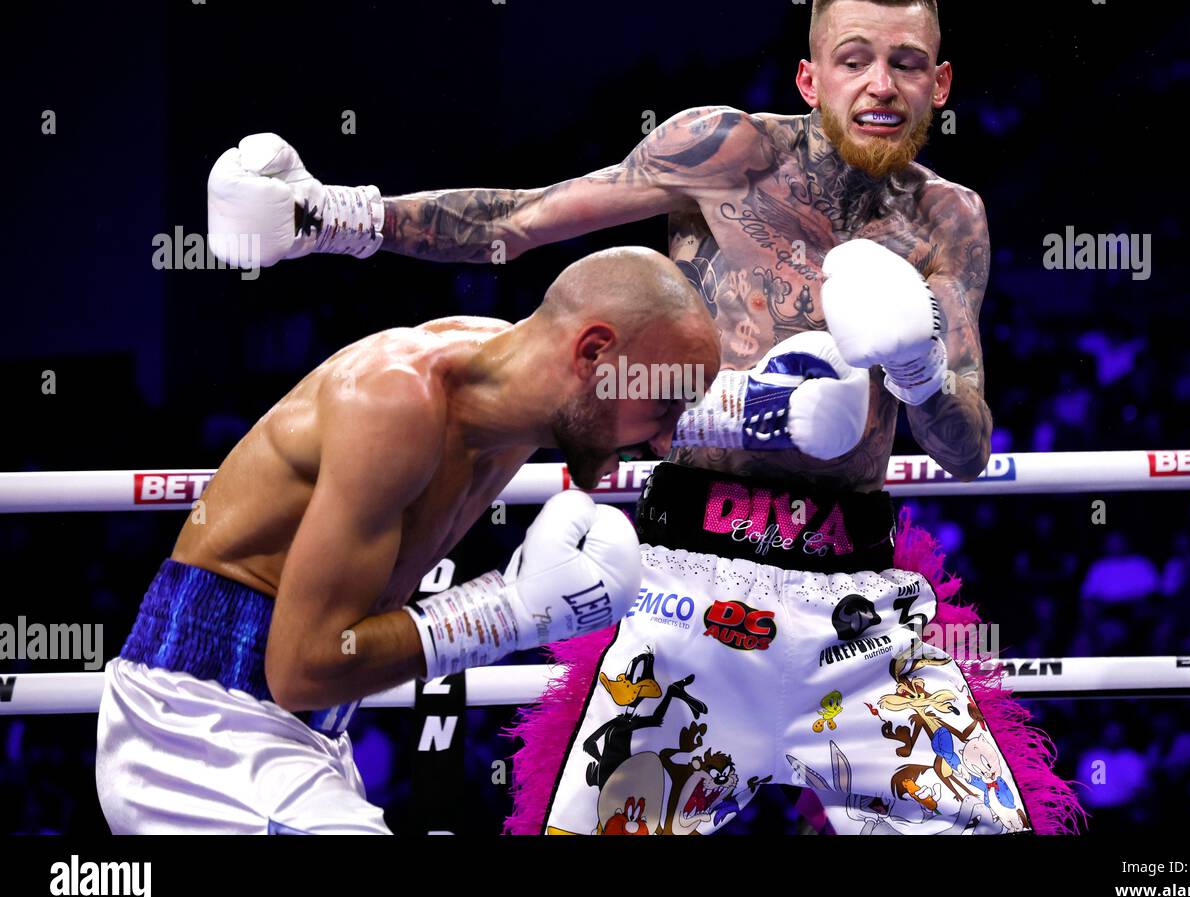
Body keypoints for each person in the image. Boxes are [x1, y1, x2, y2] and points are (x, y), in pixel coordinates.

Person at [206, 0, 1071, 834]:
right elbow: (525, 220)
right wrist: (336, 217)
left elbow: (966, 447)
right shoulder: (727, 153)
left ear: (941, 82)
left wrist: (919, 370)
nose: (881, 84)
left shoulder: (950, 219)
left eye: (907, 63)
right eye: (855, 60)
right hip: (685, 594)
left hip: (859, 609)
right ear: (811, 77)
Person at [98, 248, 733, 834]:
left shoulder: (515, 402)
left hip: (308, 733)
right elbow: (299, 669)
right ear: (594, 353)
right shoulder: (398, 404)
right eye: (665, 405)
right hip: (194, 724)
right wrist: (507, 612)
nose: (661, 441)